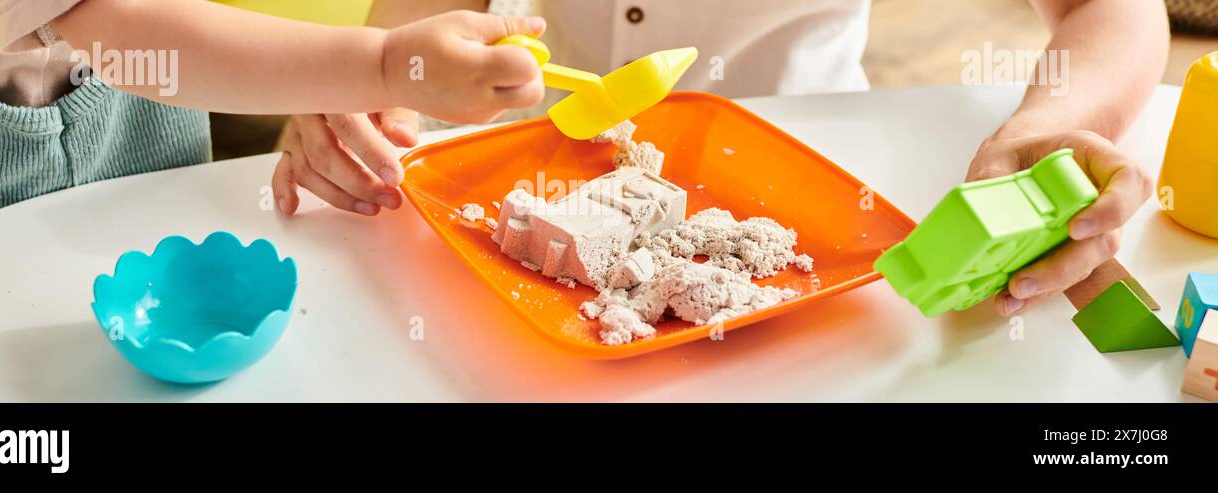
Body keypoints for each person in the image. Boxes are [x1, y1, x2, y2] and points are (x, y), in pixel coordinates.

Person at [289, 0, 1167, 316]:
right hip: (550, 174)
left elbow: (1114, 9)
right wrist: (379, 81)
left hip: (825, 214)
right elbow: (423, 20)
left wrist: (1051, 123)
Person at [0, 0, 547, 246]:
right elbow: (126, 31)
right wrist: (380, 66)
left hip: (158, 139)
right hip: (12, 193)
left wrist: (348, 81)